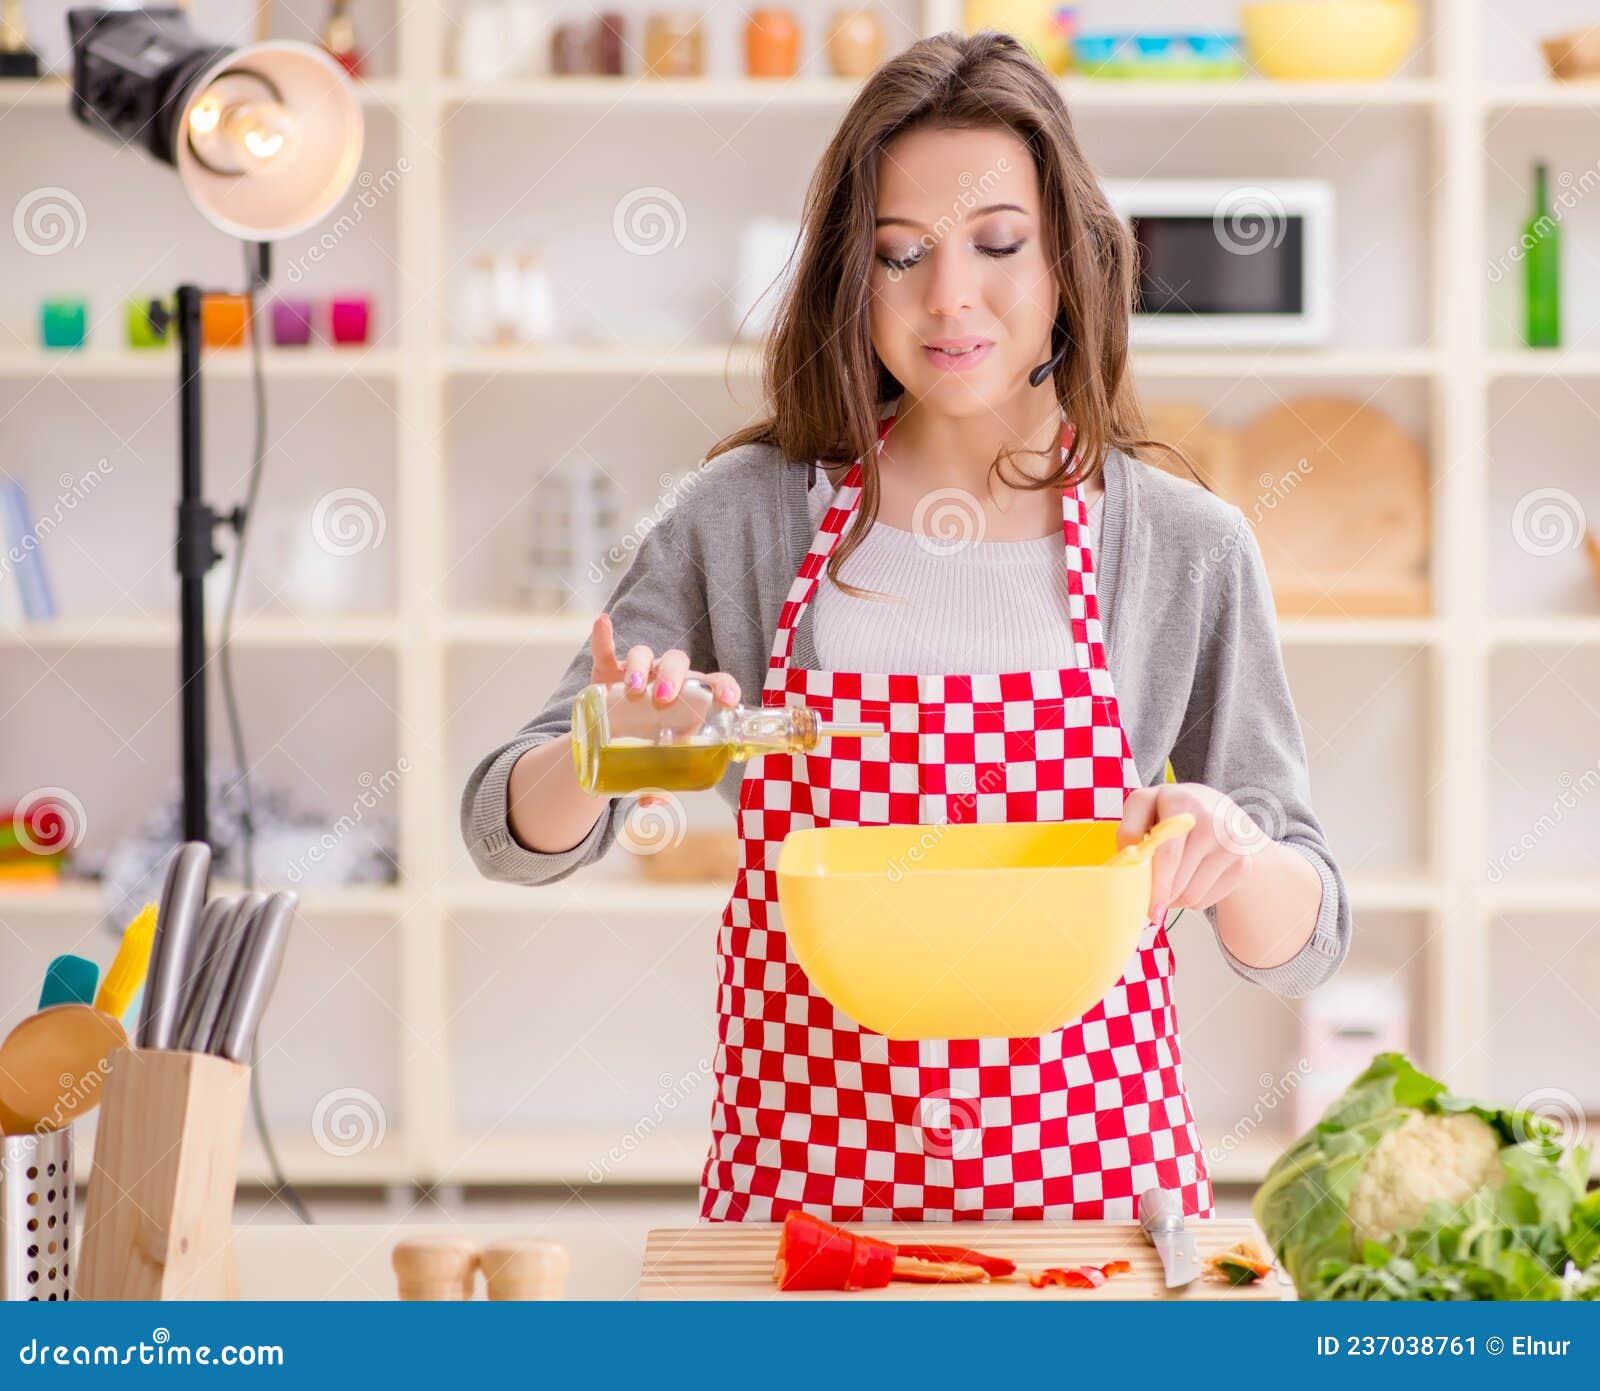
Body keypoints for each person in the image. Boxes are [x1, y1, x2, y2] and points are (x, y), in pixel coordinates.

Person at [462, 30, 1350, 1223]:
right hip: (812, 1208)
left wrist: (1228, 849)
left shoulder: (1184, 548)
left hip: (1093, 1211)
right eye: (900, 255)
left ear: (1071, 268)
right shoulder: (744, 518)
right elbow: (504, 830)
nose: (949, 300)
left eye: (997, 245)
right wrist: (607, 747)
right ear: (850, 278)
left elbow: (1302, 936)